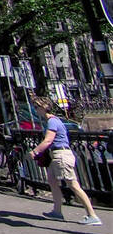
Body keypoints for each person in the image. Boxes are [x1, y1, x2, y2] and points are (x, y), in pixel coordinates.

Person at [30, 96, 101, 227]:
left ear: (43, 108)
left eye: (36, 107)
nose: (35, 110)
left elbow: (48, 140)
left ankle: (92, 215)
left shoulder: (52, 122)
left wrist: (35, 151)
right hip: (55, 156)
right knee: (52, 181)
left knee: (73, 185)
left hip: (61, 155)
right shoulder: (53, 121)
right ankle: (57, 212)